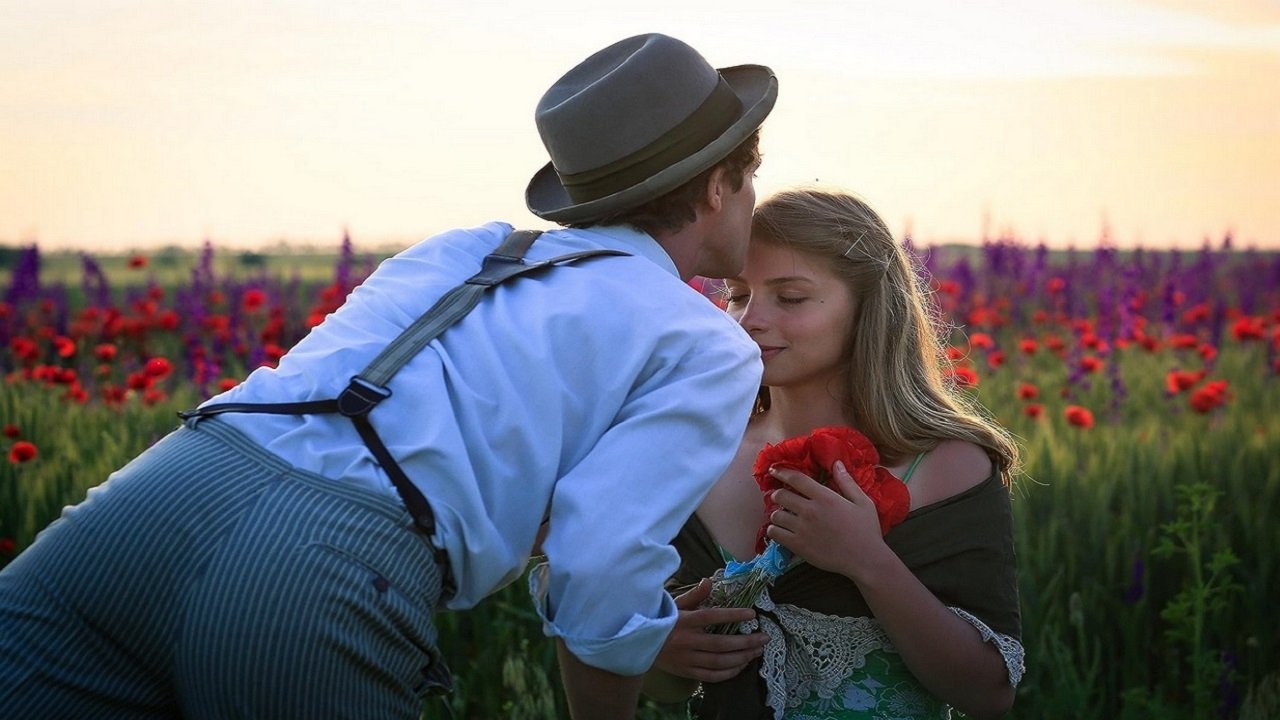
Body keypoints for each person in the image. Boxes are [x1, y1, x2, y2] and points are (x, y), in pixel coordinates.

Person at [0, 34, 777, 720]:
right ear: (716, 186)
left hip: (162, 492)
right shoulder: (705, 343)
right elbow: (600, 567)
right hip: (321, 564)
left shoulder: (472, 249)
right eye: (749, 178)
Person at [645, 188, 1025, 719]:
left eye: (791, 297)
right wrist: (658, 653)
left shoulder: (948, 465)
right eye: (736, 294)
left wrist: (868, 562)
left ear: (869, 308)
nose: (750, 318)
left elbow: (988, 693)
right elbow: (667, 690)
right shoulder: (694, 450)